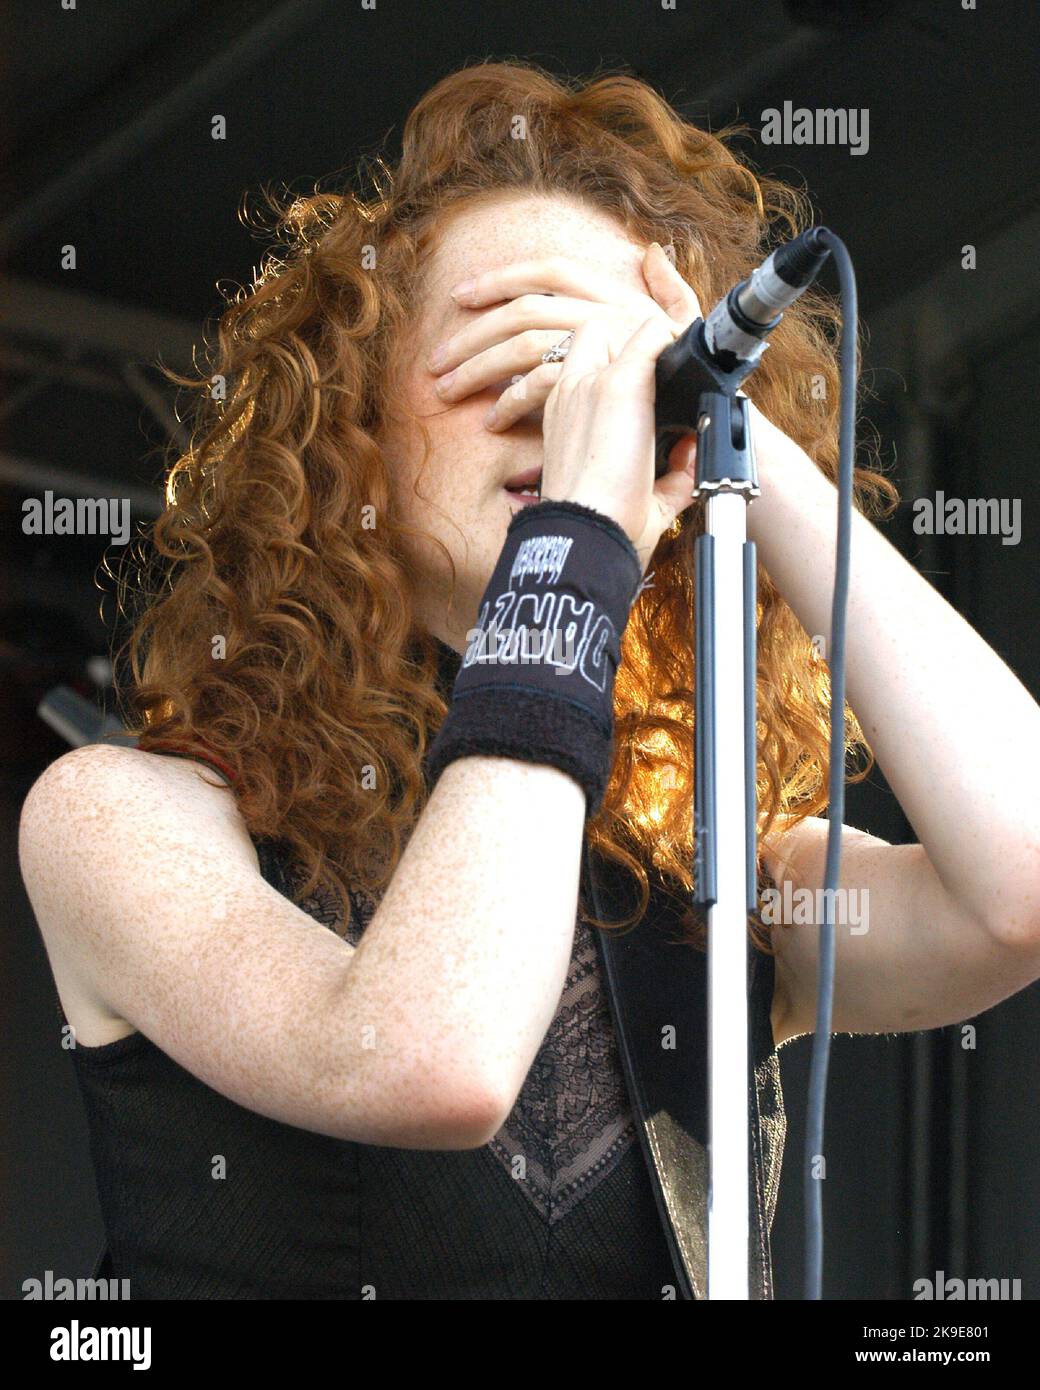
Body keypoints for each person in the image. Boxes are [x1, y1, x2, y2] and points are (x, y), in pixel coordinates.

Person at [18, 61, 1040, 1301]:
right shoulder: (123, 816)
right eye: (513, 344)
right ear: (355, 431)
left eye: (615, 362)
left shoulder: (714, 879)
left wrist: (729, 429)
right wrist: (571, 532)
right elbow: (427, 1057)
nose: (567, 400)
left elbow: (1017, 884)